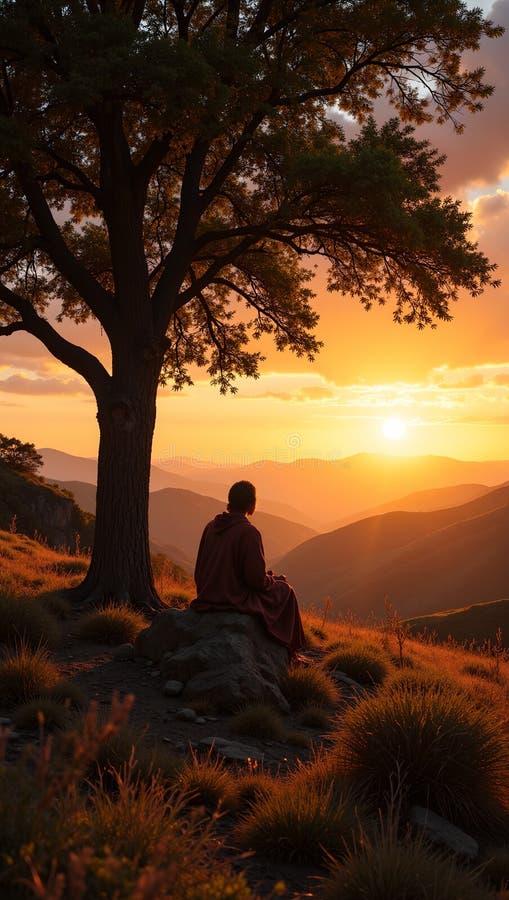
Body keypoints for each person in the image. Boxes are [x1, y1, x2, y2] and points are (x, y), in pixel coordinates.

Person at [191, 480, 306, 657]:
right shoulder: (249, 532)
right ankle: (291, 653)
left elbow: (200, 567)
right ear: (252, 505)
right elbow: (255, 581)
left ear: (230, 502)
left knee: (280, 587)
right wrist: (273, 580)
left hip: (206, 593)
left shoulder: (211, 526)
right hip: (232, 597)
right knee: (286, 591)